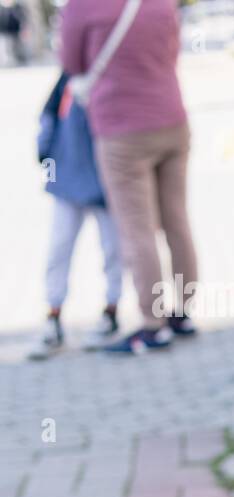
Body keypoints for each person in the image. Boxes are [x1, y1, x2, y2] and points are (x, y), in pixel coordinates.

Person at [61, 0, 198, 355]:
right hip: (172, 119)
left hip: (121, 129)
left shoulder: (83, 6)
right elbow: (173, 49)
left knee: (137, 230)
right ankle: (182, 313)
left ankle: (152, 326)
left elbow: (71, 63)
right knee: (177, 222)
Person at [28, 73, 123, 360]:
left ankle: (111, 310)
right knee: (59, 247)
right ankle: (53, 315)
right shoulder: (67, 77)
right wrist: (46, 158)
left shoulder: (110, 73)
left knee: (112, 249)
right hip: (67, 179)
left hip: (104, 180)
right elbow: (48, 117)